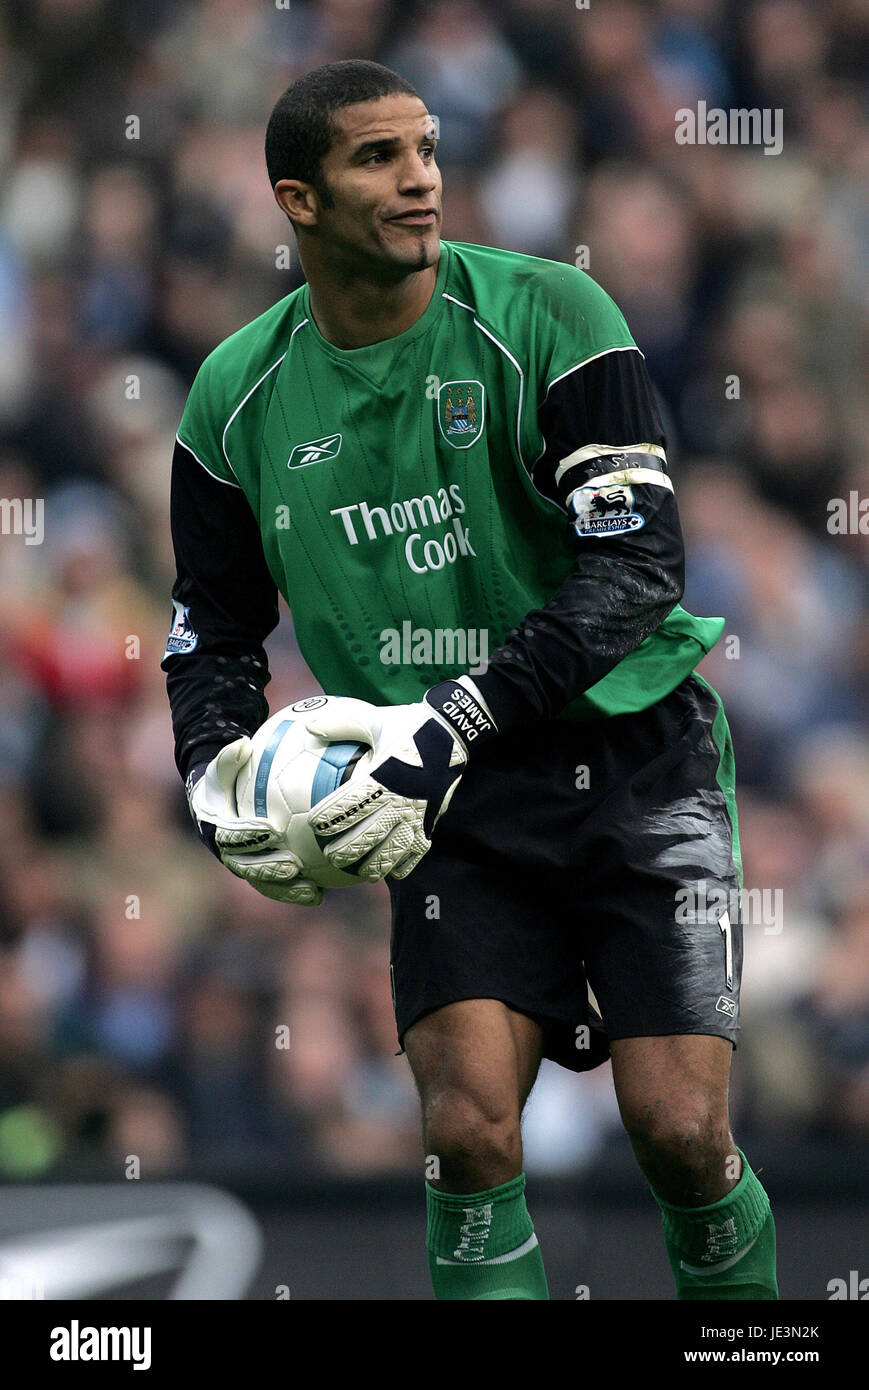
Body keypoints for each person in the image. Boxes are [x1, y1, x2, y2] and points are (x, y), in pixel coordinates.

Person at [161, 59, 778, 1301]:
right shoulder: (234, 399)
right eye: (378, 158)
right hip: (446, 800)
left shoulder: (553, 314)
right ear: (299, 199)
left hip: (633, 756)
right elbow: (209, 630)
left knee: (679, 1135)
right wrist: (211, 773)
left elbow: (637, 566)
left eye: (427, 149)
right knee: (465, 1133)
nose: (421, 180)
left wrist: (461, 710)